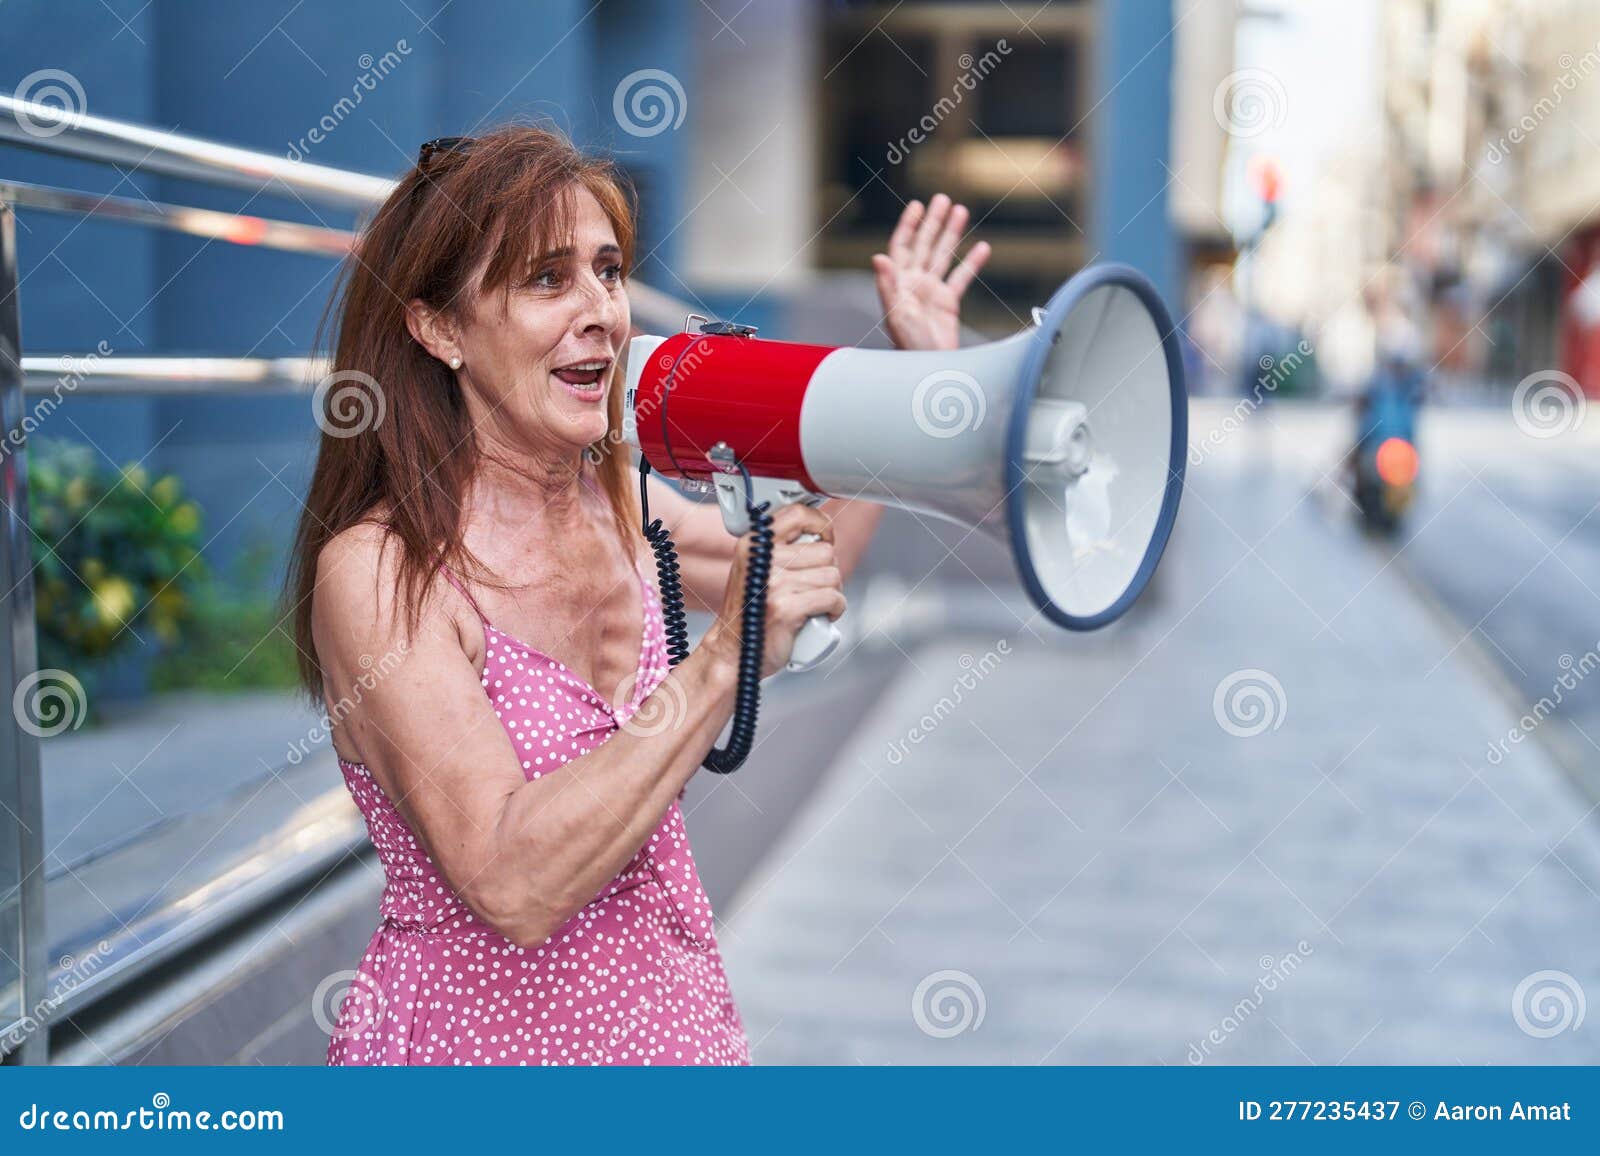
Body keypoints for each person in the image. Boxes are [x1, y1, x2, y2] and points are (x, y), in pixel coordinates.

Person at [285, 125, 991, 1066]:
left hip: (668, 1030)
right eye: (546, 279)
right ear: (438, 327)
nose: (603, 314)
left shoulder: (621, 503)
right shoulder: (384, 571)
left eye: (608, 271)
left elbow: (806, 567)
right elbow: (511, 880)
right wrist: (726, 662)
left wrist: (914, 387)